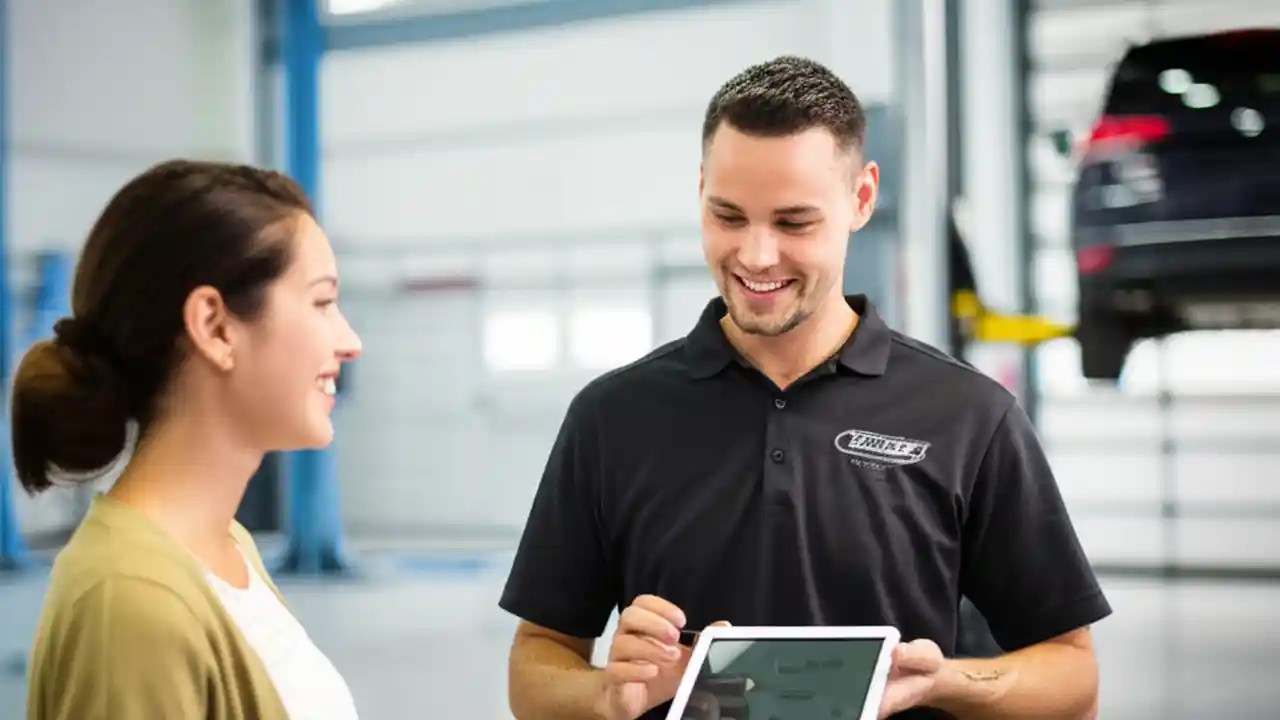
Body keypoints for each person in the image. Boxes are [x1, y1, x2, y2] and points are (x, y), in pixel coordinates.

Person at [499, 56, 1111, 720]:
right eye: (728, 216)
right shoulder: (611, 418)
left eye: (794, 223)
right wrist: (610, 697)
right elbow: (536, 666)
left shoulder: (968, 416)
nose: (758, 256)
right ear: (701, 188)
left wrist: (945, 682)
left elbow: (1072, 676)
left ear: (861, 199)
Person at [14, 159, 363, 720]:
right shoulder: (130, 600)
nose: (350, 341)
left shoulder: (228, 547)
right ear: (215, 327)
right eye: (322, 302)